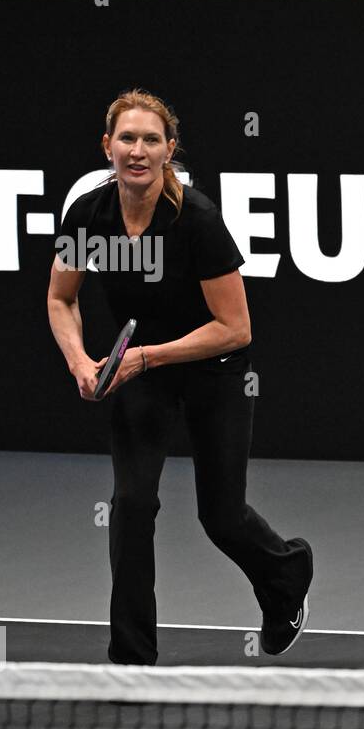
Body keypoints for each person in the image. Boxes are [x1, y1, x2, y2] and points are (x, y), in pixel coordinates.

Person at [46, 88, 313, 665]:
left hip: (213, 370)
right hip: (140, 373)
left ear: (170, 150)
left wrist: (146, 357)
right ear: (107, 147)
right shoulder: (87, 216)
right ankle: (132, 659)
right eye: (126, 139)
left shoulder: (196, 220)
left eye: (150, 140)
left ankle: (287, 571)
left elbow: (236, 328)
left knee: (222, 517)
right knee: (132, 505)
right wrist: (81, 362)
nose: (137, 151)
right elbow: (61, 298)